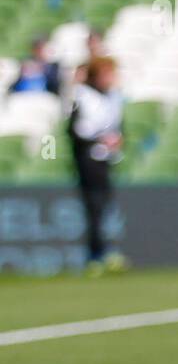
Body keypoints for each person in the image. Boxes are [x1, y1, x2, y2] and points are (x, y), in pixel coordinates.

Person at [68, 56, 125, 273]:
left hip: (107, 159)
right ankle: (95, 255)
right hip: (87, 160)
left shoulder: (114, 97)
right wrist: (98, 140)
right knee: (94, 207)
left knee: (105, 207)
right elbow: (74, 132)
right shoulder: (82, 97)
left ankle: (105, 252)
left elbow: (120, 126)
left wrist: (117, 139)